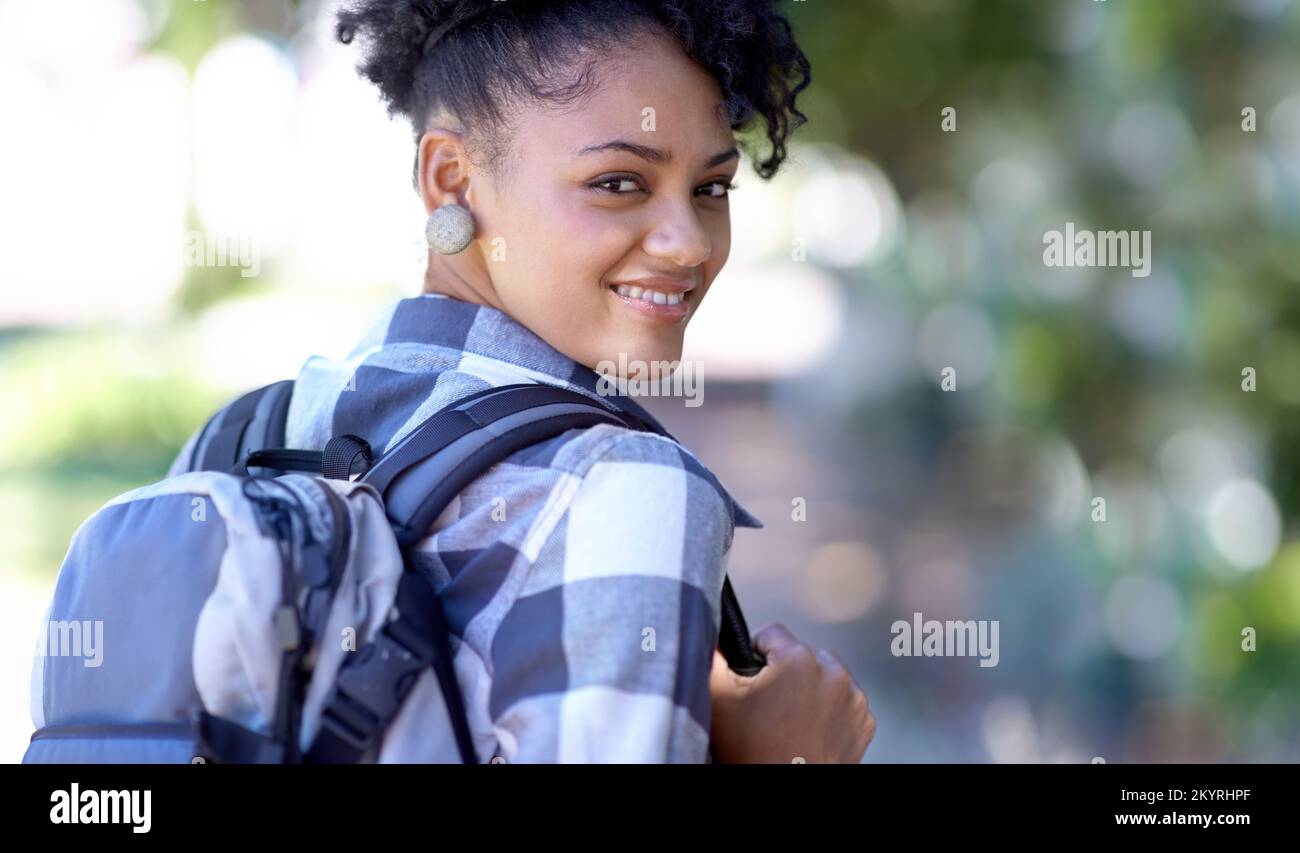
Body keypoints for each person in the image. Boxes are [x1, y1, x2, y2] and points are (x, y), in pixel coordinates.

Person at [173, 0, 875, 763]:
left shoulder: (245, 437)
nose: (688, 244)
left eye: (711, 189)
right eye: (619, 182)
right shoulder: (627, 484)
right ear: (451, 180)